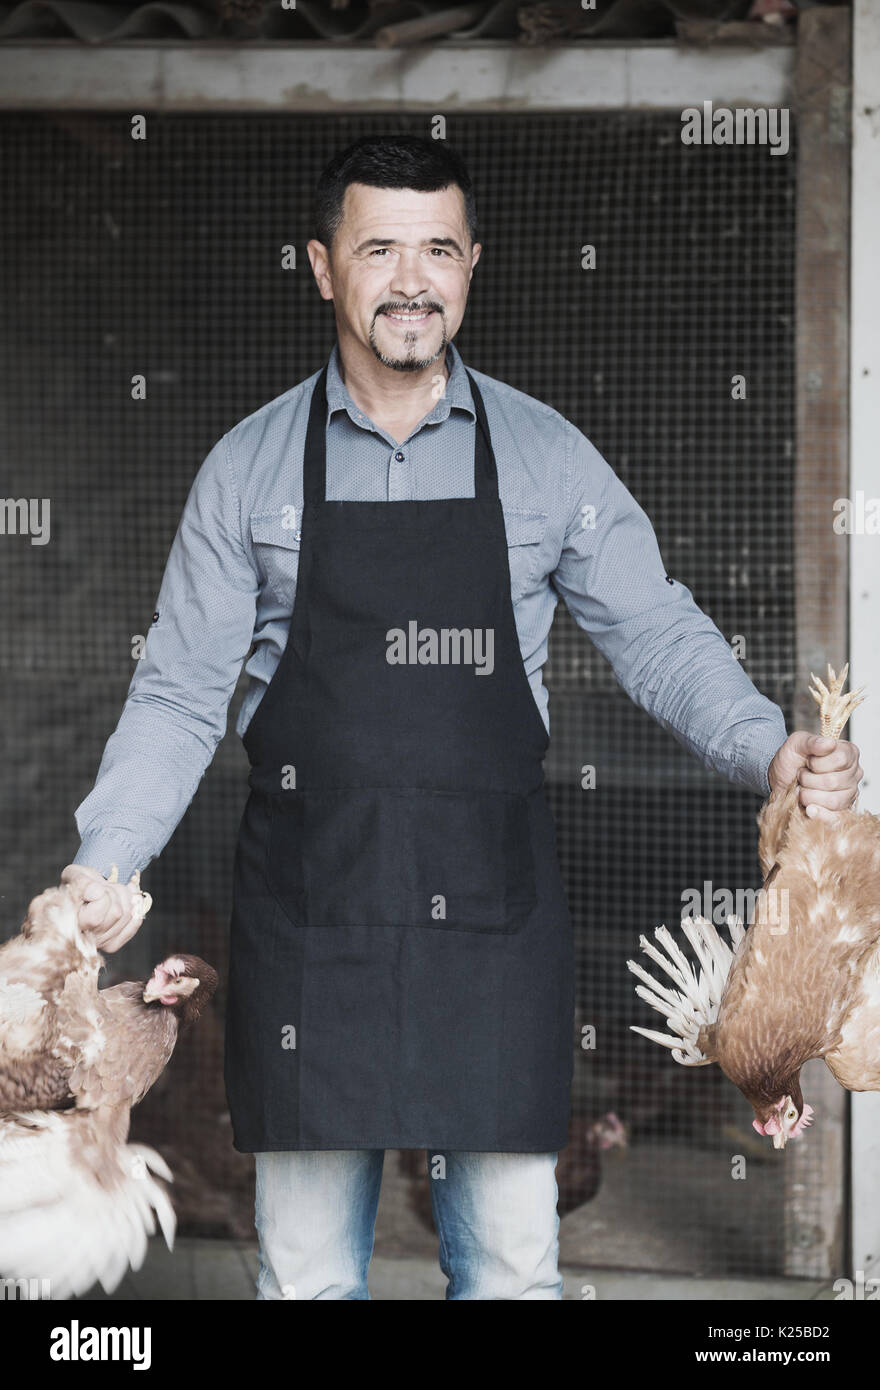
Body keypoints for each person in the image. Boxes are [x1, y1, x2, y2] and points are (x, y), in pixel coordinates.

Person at [62, 134, 862, 1301]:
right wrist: (103, 862)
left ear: (472, 264)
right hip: (310, 914)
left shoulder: (545, 459)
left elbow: (659, 634)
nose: (410, 277)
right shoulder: (246, 469)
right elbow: (180, 692)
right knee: (306, 1279)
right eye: (378, 246)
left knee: (508, 1270)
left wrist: (767, 746)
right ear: (322, 267)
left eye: (438, 248)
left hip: (491, 920)